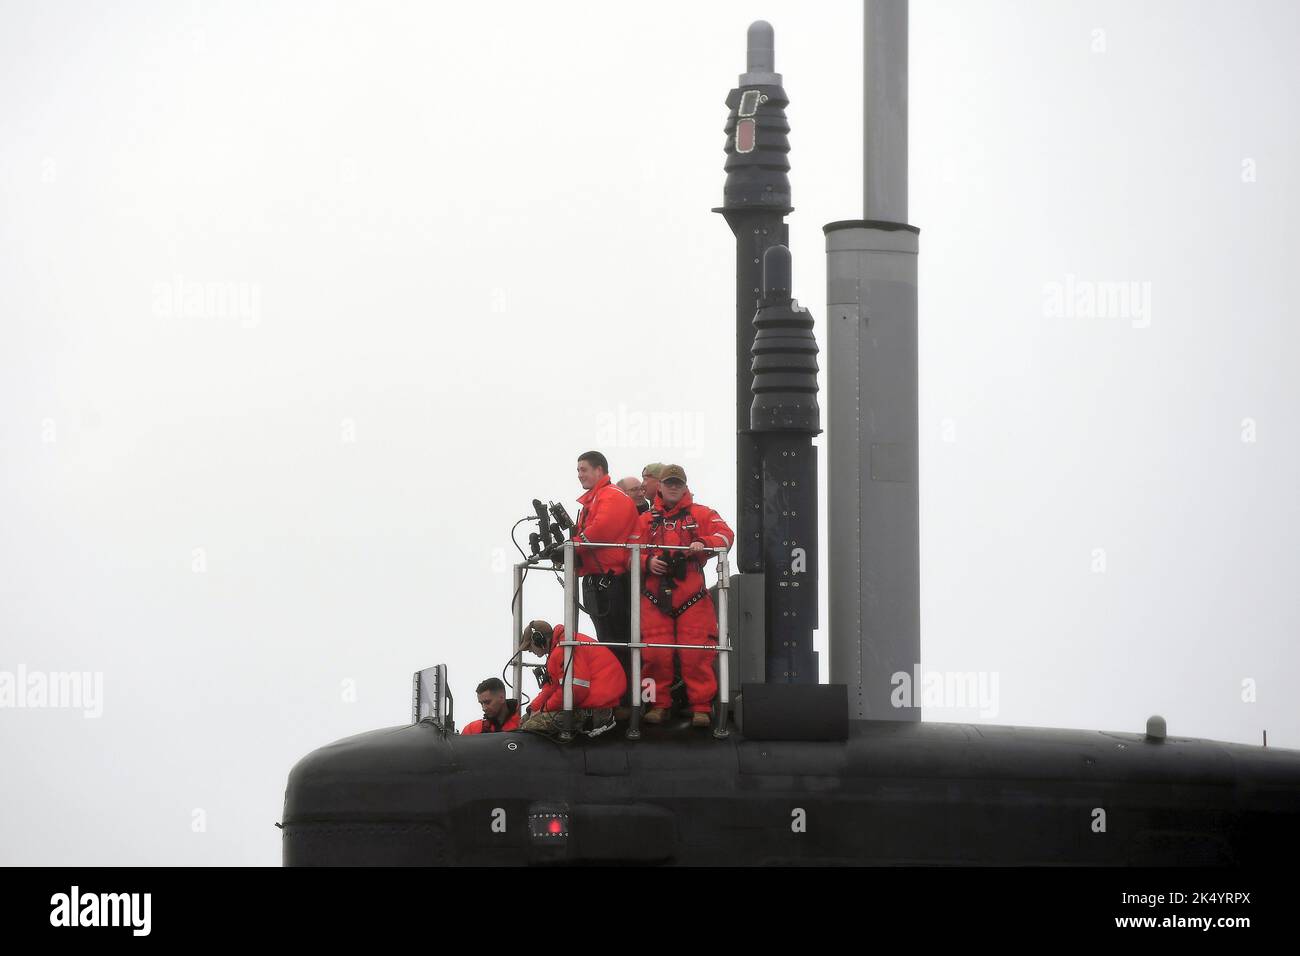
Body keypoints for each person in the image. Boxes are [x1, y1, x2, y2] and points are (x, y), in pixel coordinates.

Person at [628, 465, 733, 728]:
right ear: (660, 487)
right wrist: (647, 562)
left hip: (692, 597)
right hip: (654, 598)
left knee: (697, 653)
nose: (673, 487)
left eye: (678, 484)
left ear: (685, 487)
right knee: (654, 654)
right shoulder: (643, 521)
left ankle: (701, 707)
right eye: (669, 483)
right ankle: (657, 704)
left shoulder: (702, 514)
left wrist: (703, 543)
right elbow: (626, 554)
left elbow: (726, 536)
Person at [572, 451, 639, 711]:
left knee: (617, 642)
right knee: (609, 640)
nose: (580, 475)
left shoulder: (612, 497)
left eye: (583, 469)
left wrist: (572, 546)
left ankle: (623, 700)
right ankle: (618, 698)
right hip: (597, 579)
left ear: (600, 470)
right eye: (578, 471)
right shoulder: (596, 499)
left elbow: (601, 531)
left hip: (610, 581)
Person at [518, 620, 626, 738]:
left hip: (596, 710)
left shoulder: (565, 649)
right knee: (524, 721)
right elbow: (551, 686)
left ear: (539, 640)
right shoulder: (559, 648)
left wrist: (544, 709)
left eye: (530, 646)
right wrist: (533, 708)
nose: (529, 651)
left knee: (530, 727)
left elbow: (576, 690)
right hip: (586, 706)